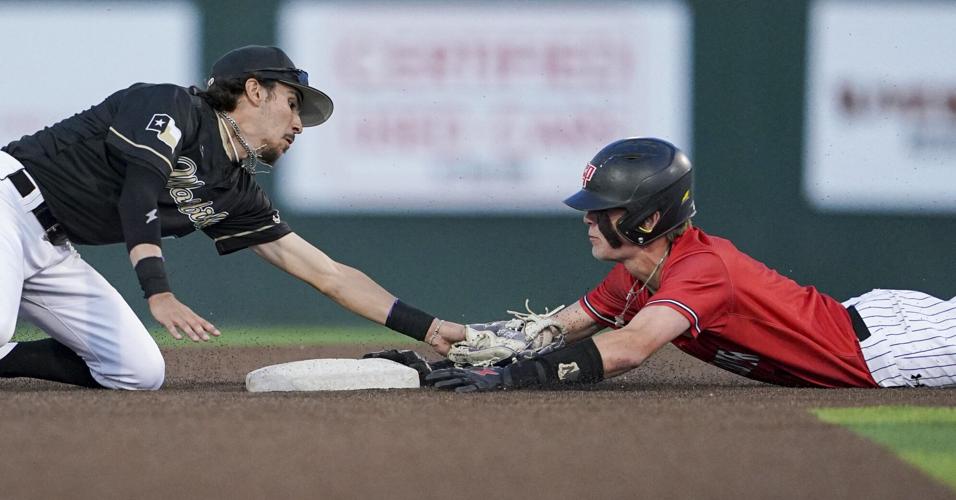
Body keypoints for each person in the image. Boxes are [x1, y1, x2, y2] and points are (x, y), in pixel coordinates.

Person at [0, 45, 464, 390]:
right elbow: (136, 193)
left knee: (136, 372)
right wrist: (157, 291)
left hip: (50, 247)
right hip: (8, 202)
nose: (299, 124)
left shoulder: (235, 189)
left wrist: (430, 328)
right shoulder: (172, 105)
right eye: (292, 103)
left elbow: (328, 274)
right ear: (255, 90)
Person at [426, 137, 956, 392]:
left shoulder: (702, 269)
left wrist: (516, 379)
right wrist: (459, 343)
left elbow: (630, 349)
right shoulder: (636, 274)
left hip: (892, 351)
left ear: (649, 217)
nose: (587, 220)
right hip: (865, 319)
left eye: (601, 210)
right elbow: (551, 331)